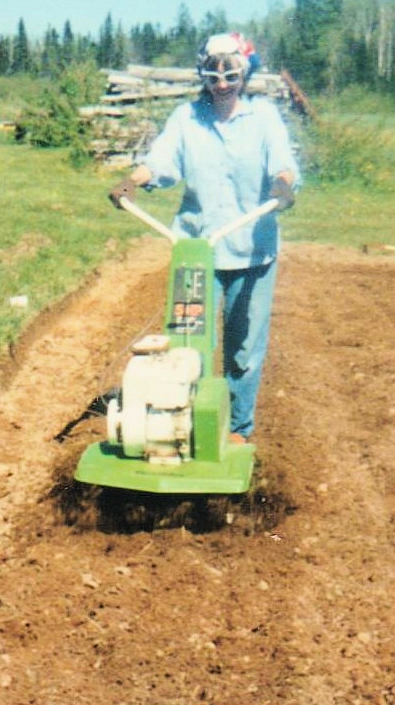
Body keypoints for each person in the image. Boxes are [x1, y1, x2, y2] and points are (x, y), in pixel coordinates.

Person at [108, 32, 300, 444]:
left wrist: (283, 186)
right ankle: (181, 426)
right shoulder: (187, 118)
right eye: (214, 74)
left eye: (230, 73)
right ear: (204, 75)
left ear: (245, 72)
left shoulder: (264, 117)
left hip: (252, 250)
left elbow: (283, 164)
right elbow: (162, 160)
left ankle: (237, 430)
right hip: (195, 251)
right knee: (186, 342)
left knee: (243, 350)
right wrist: (134, 180)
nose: (223, 83)